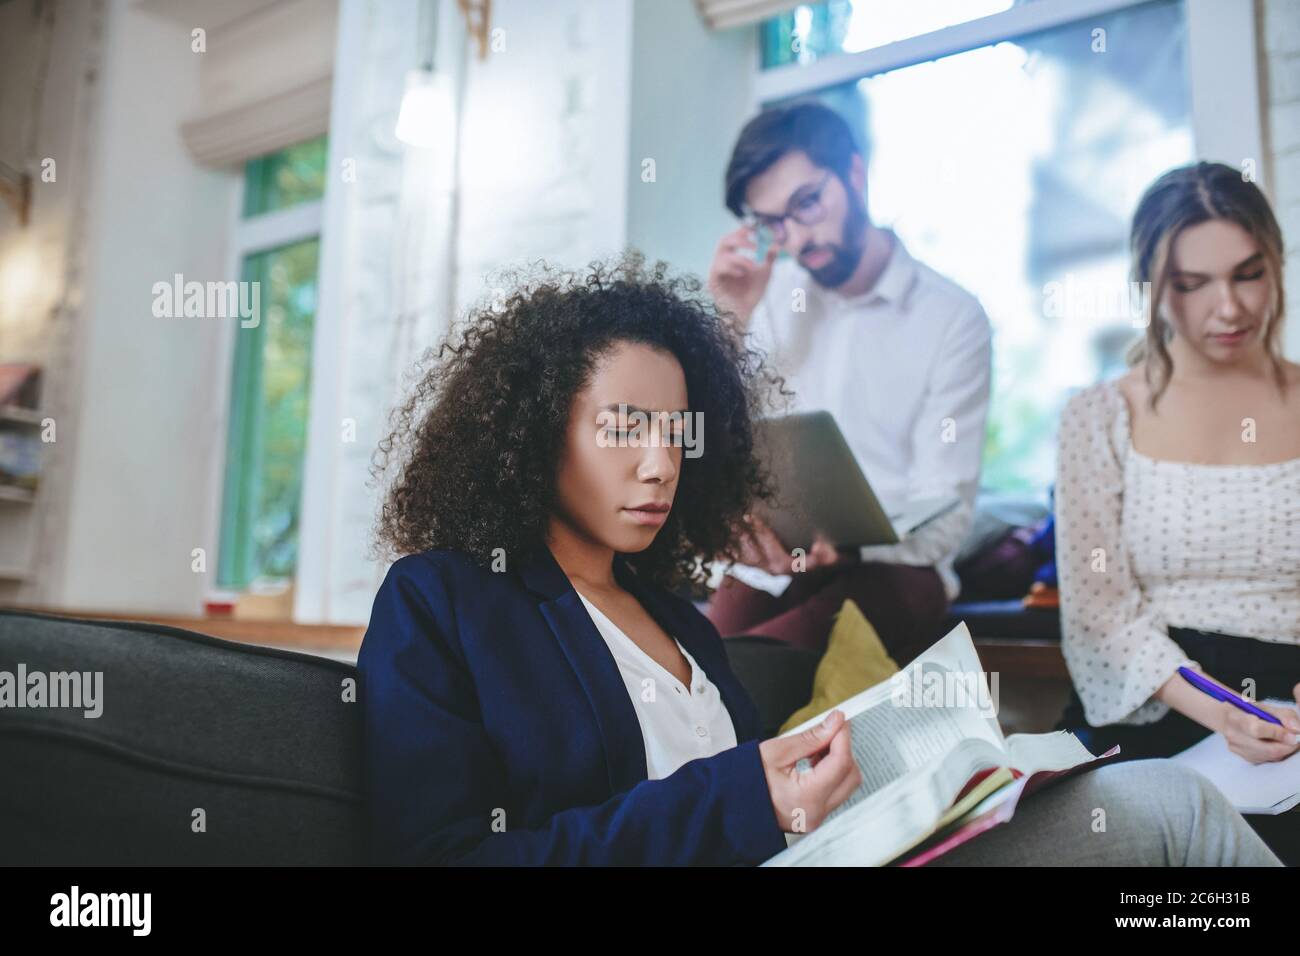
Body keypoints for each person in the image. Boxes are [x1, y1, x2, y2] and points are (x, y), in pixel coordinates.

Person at [356, 251, 1277, 866]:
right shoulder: (446, 602)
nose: (658, 463)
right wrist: (748, 800)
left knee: (1167, 809)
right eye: (624, 427)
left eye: (676, 432)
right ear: (531, 429)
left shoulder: (676, 614)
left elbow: (761, 801)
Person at [1053, 161, 1300, 863]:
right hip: (1161, 697)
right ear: (1150, 287)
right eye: (1190, 285)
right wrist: (1227, 713)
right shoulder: (1098, 417)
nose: (1228, 308)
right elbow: (1099, 615)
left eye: (1248, 273)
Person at [704, 100, 992, 664]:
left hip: (893, 572)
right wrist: (728, 317)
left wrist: (854, 546)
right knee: (694, 670)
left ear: (855, 174)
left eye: (807, 203)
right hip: (773, 566)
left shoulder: (951, 317)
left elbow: (945, 513)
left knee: (747, 675)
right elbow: (703, 444)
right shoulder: (764, 303)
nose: (795, 238)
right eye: (771, 223)